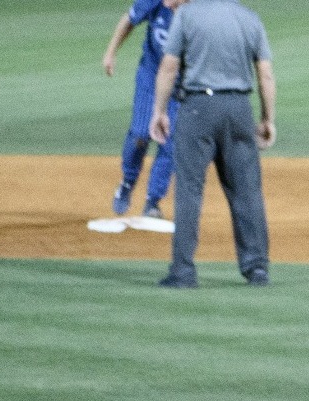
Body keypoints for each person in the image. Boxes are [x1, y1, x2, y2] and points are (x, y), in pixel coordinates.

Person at [148, 0, 275, 288]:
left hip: (198, 108)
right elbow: (265, 74)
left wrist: (158, 111)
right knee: (247, 190)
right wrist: (268, 119)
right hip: (239, 107)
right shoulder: (249, 18)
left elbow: (169, 67)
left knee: (189, 190)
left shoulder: (187, 15)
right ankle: (257, 269)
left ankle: (183, 271)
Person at [104, 0, 182, 219]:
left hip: (181, 86)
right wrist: (111, 53)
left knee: (170, 143)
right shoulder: (154, 2)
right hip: (151, 78)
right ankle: (128, 181)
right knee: (140, 134)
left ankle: (153, 201)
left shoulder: (203, 8)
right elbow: (128, 20)